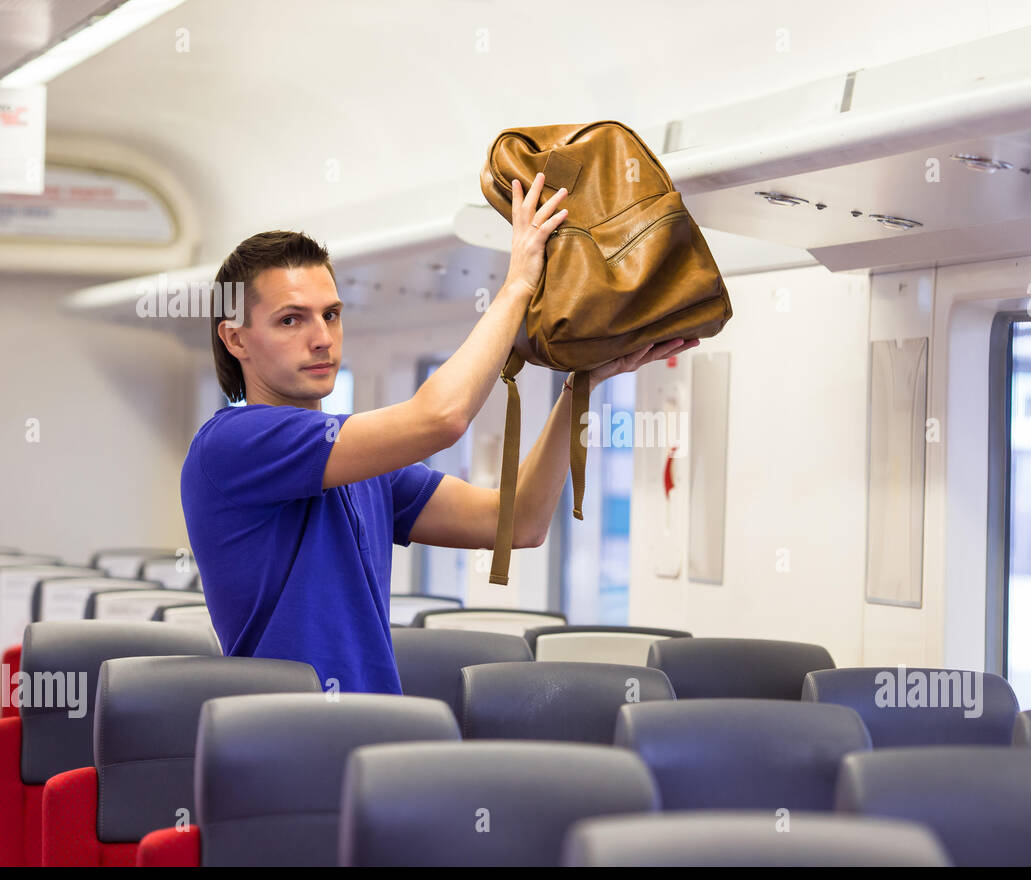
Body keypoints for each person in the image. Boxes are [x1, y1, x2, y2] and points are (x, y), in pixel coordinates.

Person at [180, 173, 697, 693]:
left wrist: (581, 385)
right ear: (236, 340)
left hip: (377, 737)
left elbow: (518, 523)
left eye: (331, 315)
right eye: (291, 320)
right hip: (284, 749)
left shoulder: (363, 465)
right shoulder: (231, 445)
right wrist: (517, 284)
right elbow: (441, 418)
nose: (322, 338)